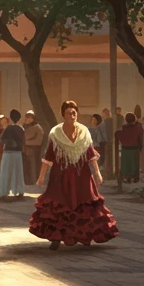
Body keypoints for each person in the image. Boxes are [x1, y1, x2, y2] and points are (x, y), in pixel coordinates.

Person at [30, 100, 119, 249]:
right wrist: (41, 176)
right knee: (59, 203)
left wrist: (97, 173)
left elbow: (90, 154)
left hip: (81, 174)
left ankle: (85, 235)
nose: (72, 116)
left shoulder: (84, 132)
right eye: (68, 113)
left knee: (85, 203)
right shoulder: (56, 133)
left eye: (74, 113)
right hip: (61, 174)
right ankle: (56, 238)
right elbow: (49, 155)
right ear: (63, 115)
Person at [0, 109, 26, 200]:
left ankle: (3, 192)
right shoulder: (21, 128)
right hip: (18, 152)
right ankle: (19, 190)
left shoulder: (8, 128)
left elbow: (1, 140)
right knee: (18, 172)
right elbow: (23, 141)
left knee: (6, 172)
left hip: (8, 152)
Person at [117, 113, 144, 183]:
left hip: (125, 148)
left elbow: (119, 136)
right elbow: (140, 138)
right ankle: (135, 178)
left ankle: (126, 176)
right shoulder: (138, 127)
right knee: (134, 164)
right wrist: (140, 147)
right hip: (134, 148)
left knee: (125, 164)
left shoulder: (123, 128)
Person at [21, 111, 43, 184]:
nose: (28, 119)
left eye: (30, 118)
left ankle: (34, 181)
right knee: (25, 167)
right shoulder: (24, 127)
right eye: (27, 118)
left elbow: (39, 141)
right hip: (24, 151)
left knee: (33, 167)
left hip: (33, 151)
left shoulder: (37, 127)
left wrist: (26, 143)